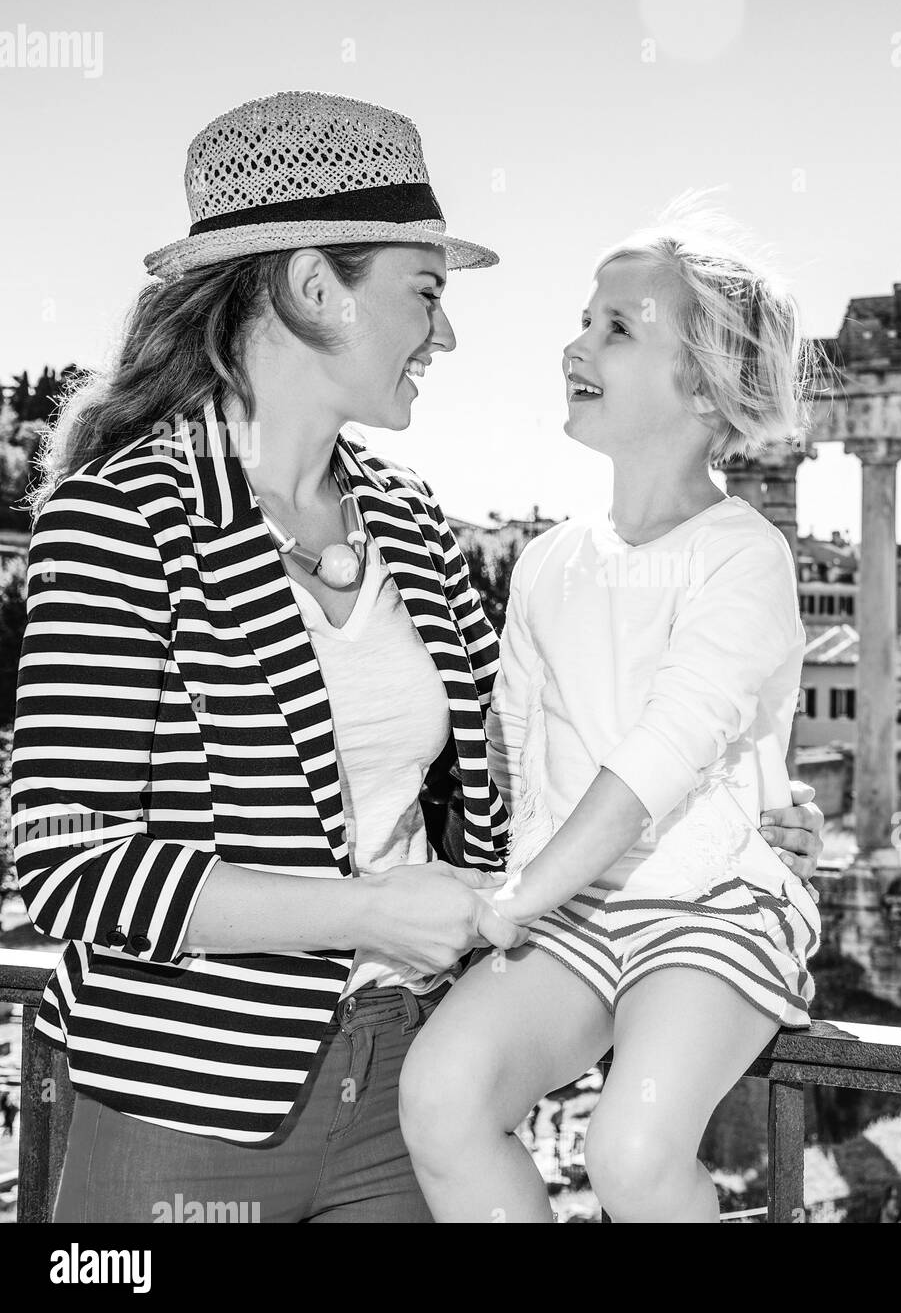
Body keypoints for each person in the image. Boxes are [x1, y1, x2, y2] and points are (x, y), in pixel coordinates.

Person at [12, 91, 827, 1223]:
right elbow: (68, 865)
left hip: (406, 1093)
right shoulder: (119, 519)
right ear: (311, 289)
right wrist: (364, 912)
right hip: (181, 1121)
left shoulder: (410, 522)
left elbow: (511, 779)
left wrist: (746, 820)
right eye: (426, 292)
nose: (446, 336)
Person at [398, 212, 820, 1223]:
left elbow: (658, 758)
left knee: (630, 1150)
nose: (573, 344)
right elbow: (507, 745)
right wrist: (491, 878)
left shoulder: (742, 556)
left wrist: (514, 897)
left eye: (616, 328)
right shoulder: (547, 560)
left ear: (709, 382)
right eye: (582, 318)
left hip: (709, 905)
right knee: (441, 1095)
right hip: (572, 911)